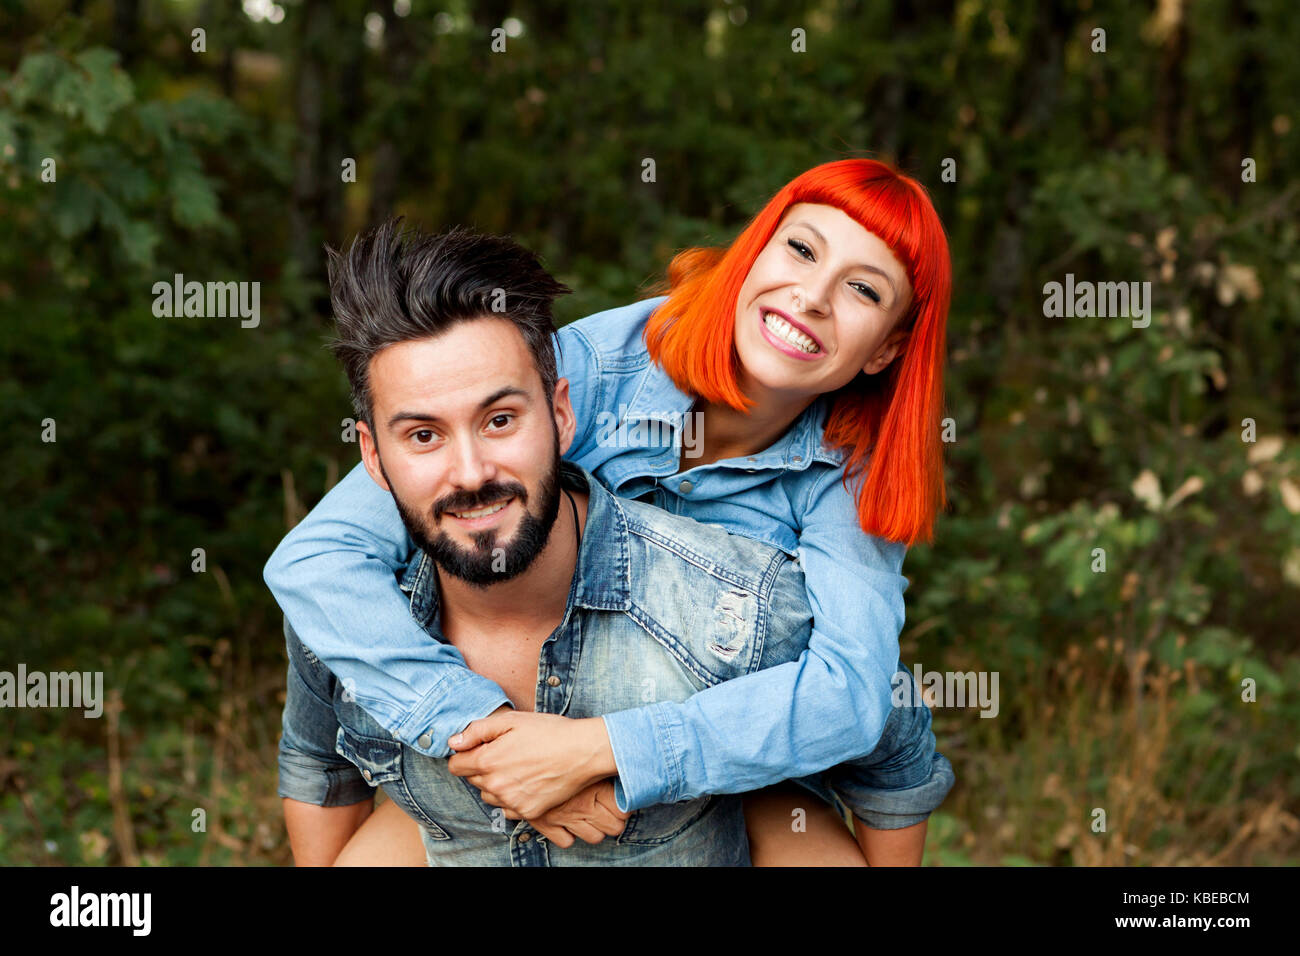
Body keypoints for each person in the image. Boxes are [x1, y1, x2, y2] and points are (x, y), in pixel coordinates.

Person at [266, 157, 955, 865]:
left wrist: (605, 753)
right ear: (754, 253)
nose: (812, 296)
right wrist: (485, 733)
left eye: (863, 290)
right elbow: (320, 561)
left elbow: (852, 697)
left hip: (721, 769)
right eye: (802, 249)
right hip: (518, 700)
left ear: (888, 349)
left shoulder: (851, 472)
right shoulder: (597, 367)